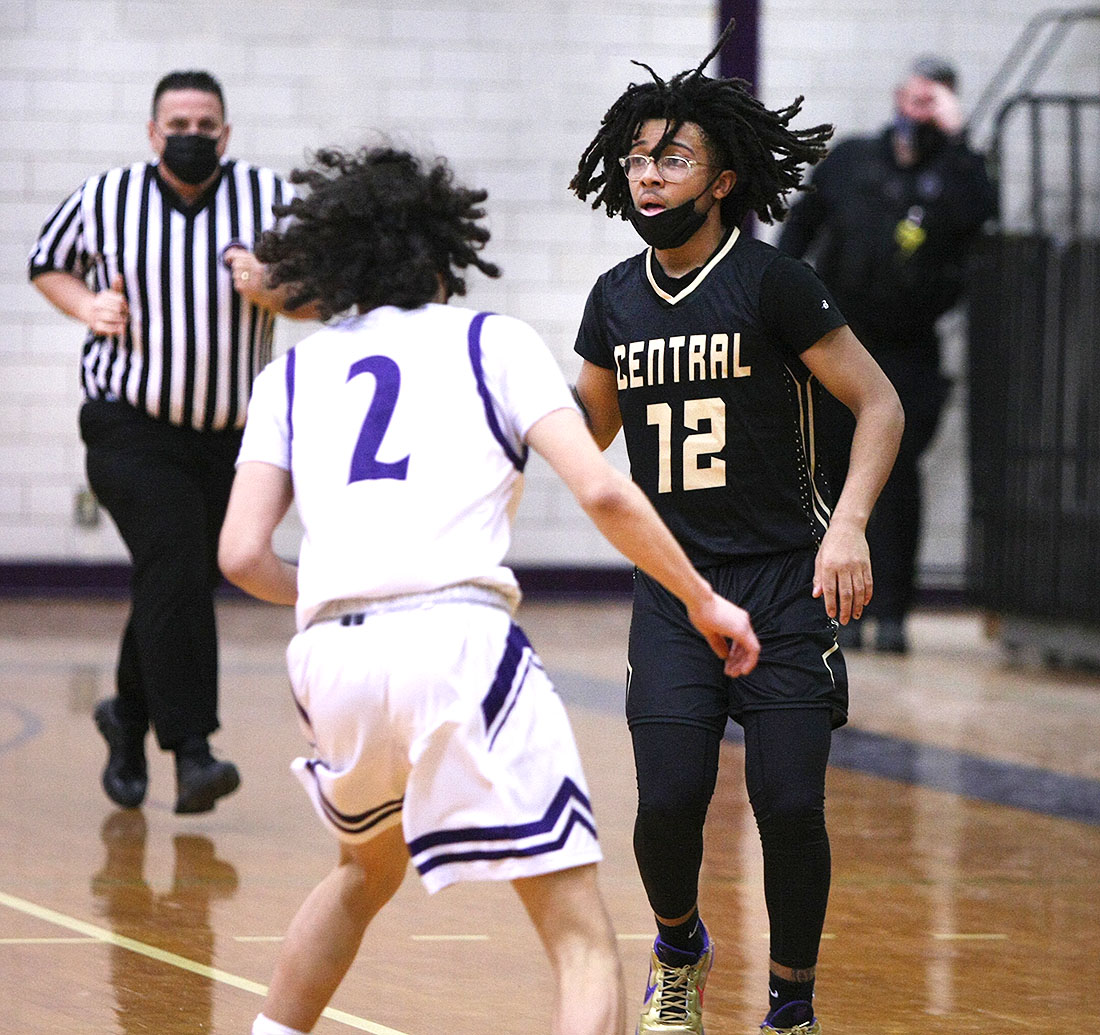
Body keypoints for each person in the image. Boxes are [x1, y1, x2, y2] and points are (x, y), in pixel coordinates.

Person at [215, 143, 761, 1035]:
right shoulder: (490, 339)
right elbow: (604, 488)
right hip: (457, 636)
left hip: (330, 651)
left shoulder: (292, 371)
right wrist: (702, 596)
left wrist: (341, 592)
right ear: (444, 248)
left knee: (364, 869)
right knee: (582, 934)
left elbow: (241, 555)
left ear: (335, 260)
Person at [568, 22, 904, 1035]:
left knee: (788, 805)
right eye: (635, 159)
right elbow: (579, 434)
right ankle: (678, 949)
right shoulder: (613, 300)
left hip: (782, 580)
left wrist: (844, 529)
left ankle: (790, 1006)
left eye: (669, 158)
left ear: (719, 181)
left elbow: (878, 404)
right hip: (674, 589)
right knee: (668, 804)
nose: (645, 175)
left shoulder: (772, 282)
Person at [28, 70, 315, 814]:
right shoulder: (106, 196)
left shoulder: (270, 197)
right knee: (180, 557)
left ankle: (125, 719)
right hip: (129, 422)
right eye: (177, 125)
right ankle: (192, 751)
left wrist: (273, 288)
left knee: (175, 572)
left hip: (230, 436)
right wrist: (87, 303)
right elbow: (44, 263)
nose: (191, 136)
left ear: (227, 132)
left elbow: (317, 295)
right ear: (154, 133)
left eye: (205, 125)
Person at [778, 56, 997, 653]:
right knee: (827, 471)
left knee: (897, 484)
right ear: (899, 95)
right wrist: (780, 295)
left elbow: (980, 215)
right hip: (837, 345)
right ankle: (833, 605)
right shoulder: (851, 159)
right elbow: (800, 228)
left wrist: (959, 139)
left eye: (937, 98)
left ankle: (892, 610)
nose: (922, 106)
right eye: (917, 94)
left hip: (909, 351)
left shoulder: (957, 170)